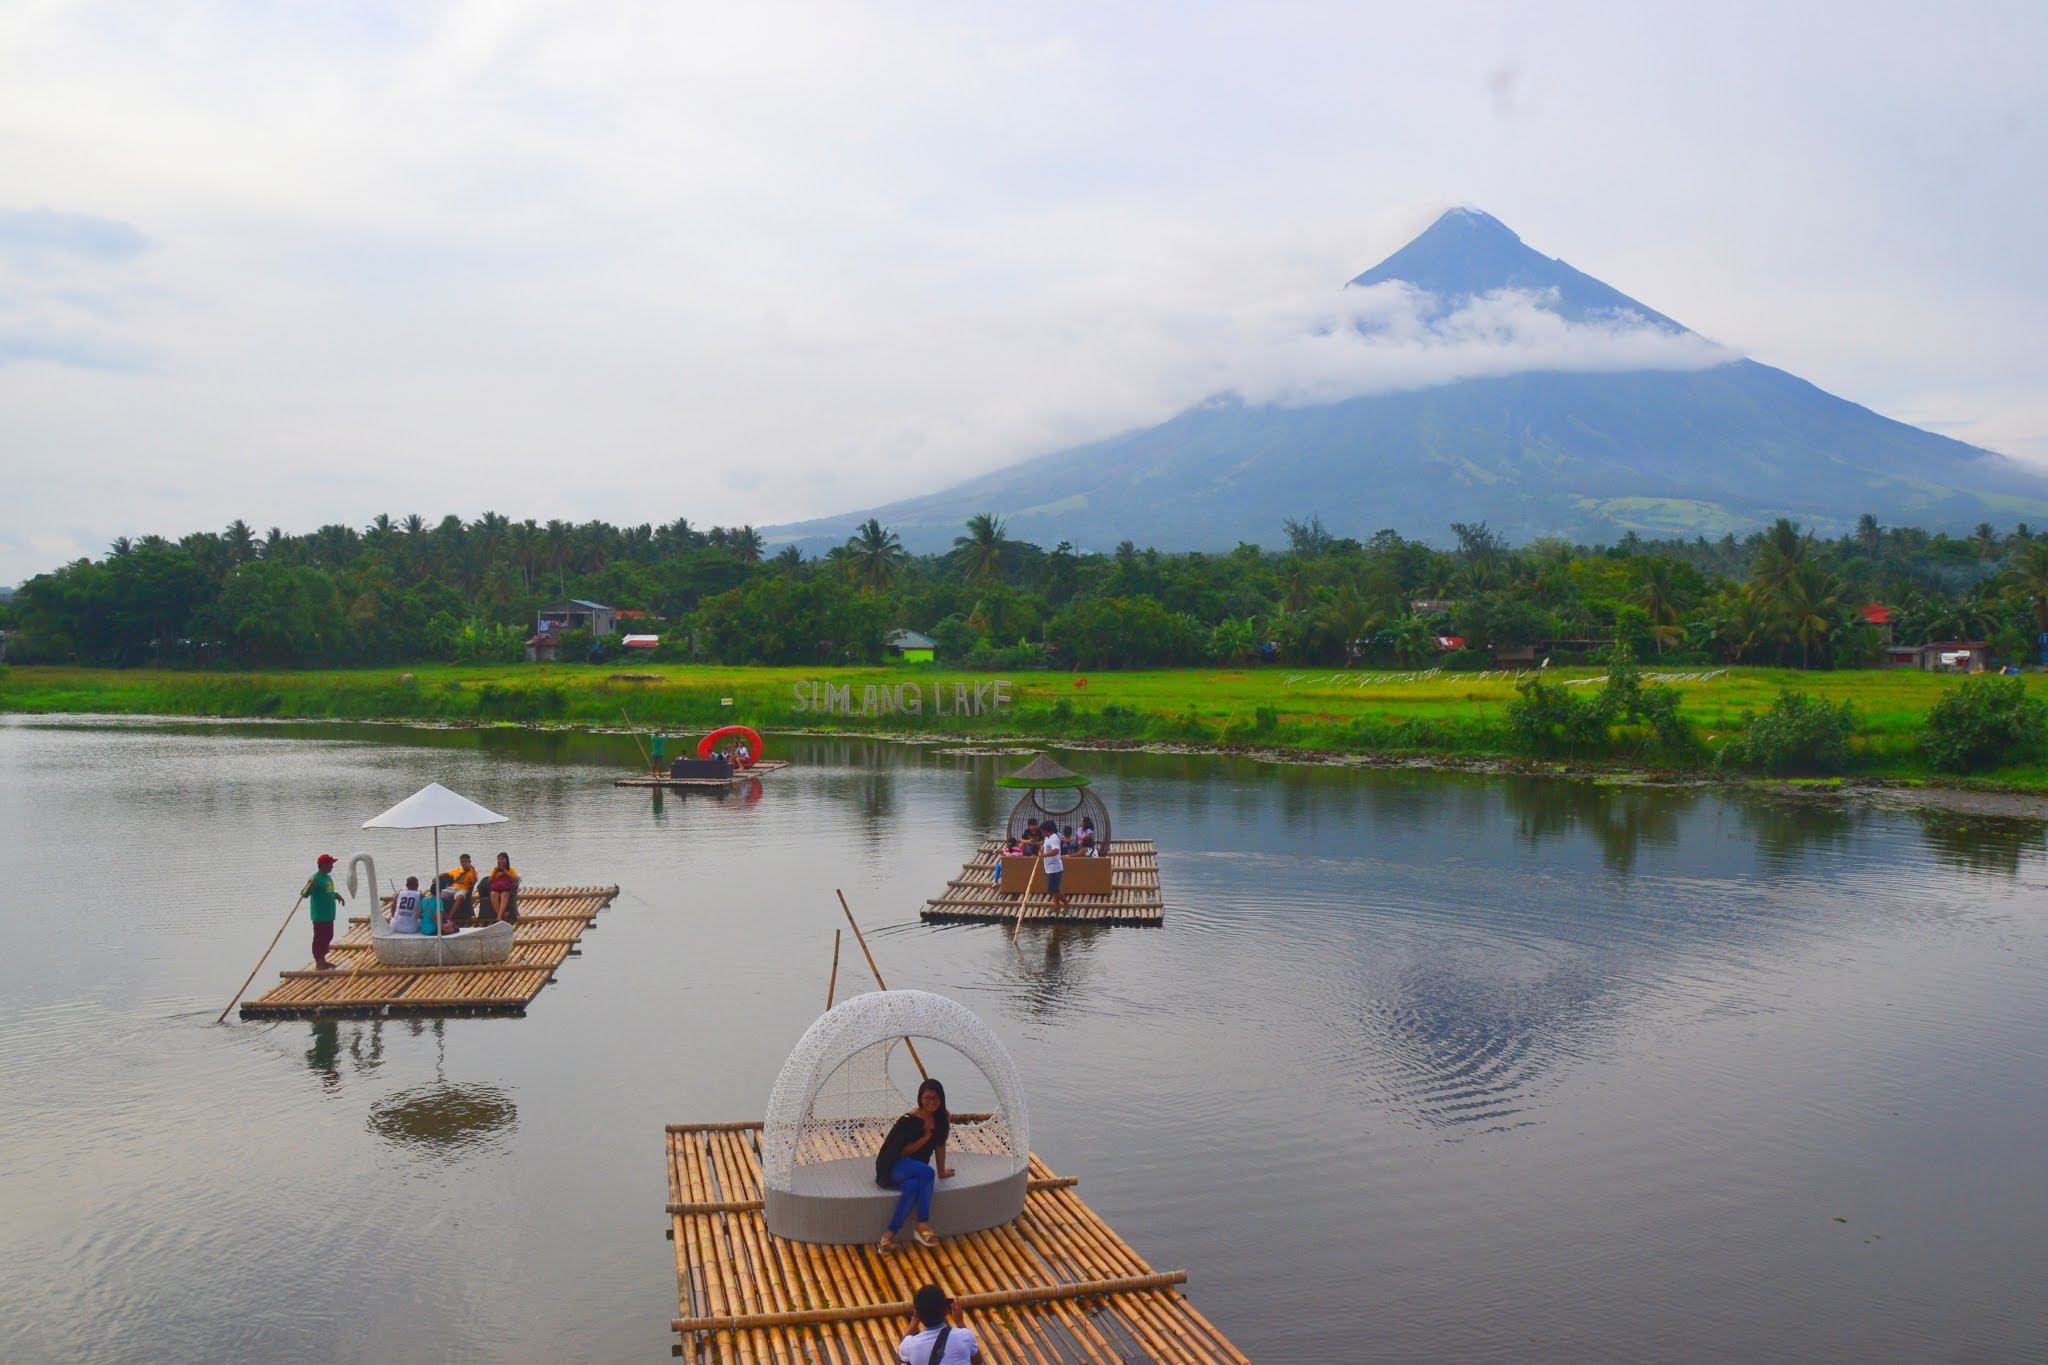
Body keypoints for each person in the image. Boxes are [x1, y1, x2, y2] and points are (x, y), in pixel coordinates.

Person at [874, 1078, 953, 1253]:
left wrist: (942, 1171)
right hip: (895, 1166)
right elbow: (899, 1152)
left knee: (912, 1188)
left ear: (941, 1099)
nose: (931, 1102)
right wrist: (924, 1138)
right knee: (927, 1173)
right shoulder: (910, 1120)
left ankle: (887, 1236)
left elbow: (940, 1145)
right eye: (927, 1098)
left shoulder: (942, 1118)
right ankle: (922, 1224)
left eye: (935, 1098)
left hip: (914, 1172)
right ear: (920, 1098)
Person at [898, 1284, 982, 1365]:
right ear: (946, 1310)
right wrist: (960, 1322)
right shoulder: (964, 1336)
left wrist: (914, 1321)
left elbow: (901, 1355)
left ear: (918, 1314)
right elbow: (977, 1361)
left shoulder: (910, 1345)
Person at [302, 854, 346, 970]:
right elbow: (304, 894)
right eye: (330, 864)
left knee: (328, 936)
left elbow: (329, 892)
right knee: (319, 938)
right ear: (324, 865)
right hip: (320, 915)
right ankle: (319, 962)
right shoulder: (315, 879)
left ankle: (323, 960)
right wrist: (310, 886)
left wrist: (337, 896)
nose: (332, 866)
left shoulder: (327, 877)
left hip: (329, 914)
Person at [440, 853, 479, 926]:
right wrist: (438, 876)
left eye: (466, 861)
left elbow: (474, 881)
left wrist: (473, 869)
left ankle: (450, 916)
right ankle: (441, 914)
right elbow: (447, 874)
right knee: (437, 895)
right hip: (452, 888)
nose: (464, 863)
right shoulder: (457, 870)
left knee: (460, 897)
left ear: (469, 862)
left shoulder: (473, 872)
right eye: (462, 862)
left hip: (463, 889)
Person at [482, 852, 520, 925]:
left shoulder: (511, 869)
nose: (500, 861)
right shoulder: (495, 869)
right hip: (496, 888)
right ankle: (501, 915)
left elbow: (516, 880)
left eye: (502, 859)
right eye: (499, 859)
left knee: (504, 895)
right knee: (493, 894)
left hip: (506, 889)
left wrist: (505, 872)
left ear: (506, 860)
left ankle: (499, 916)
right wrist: (495, 872)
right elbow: (489, 881)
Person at [1041, 824, 1069, 912]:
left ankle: (1067, 905)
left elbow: (1056, 851)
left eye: (1042, 831)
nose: (1042, 833)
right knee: (1054, 889)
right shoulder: (1047, 838)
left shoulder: (1054, 838)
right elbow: (1044, 847)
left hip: (1055, 868)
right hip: (1049, 867)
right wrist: (1041, 850)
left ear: (1046, 830)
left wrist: (1044, 855)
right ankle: (1056, 906)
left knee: (1055, 889)